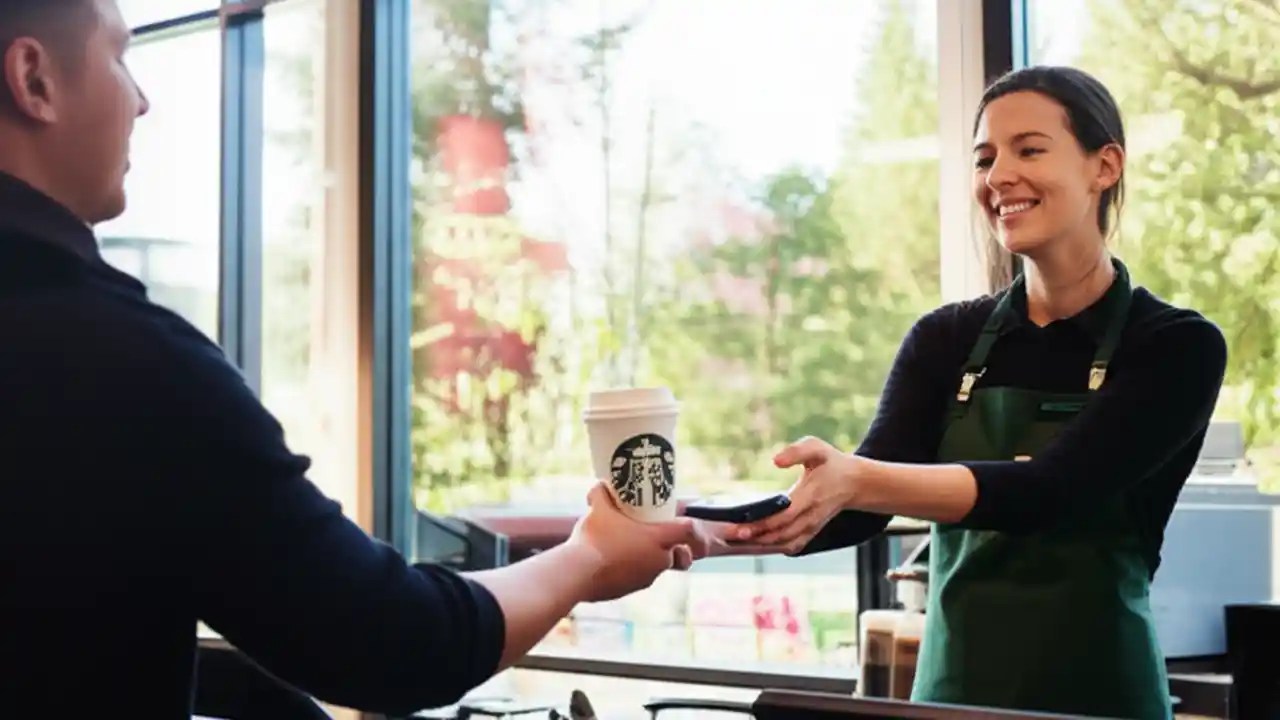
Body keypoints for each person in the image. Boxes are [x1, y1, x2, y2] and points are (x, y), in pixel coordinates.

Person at [0, 1, 700, 716]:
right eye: (120, 57)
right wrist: (590, 558)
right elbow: (387, 638)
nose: (142, 100)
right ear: (34, 80)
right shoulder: (129, 366)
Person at [705, 66, 1229, 719]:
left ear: (1106, 165)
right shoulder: (945, 339)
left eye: (1029, 149)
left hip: (1101, 695)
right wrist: (698, 531)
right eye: (985, 158)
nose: (998, 175)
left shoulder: (1176, 345)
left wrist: (858, 479)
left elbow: (1052, 491)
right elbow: (858, 510)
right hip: (953, 700)